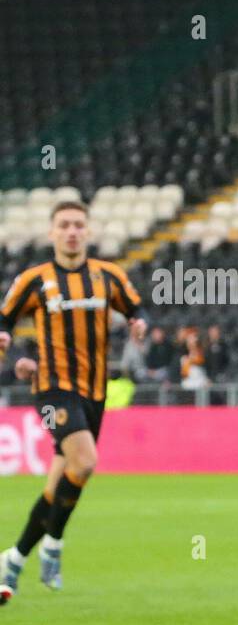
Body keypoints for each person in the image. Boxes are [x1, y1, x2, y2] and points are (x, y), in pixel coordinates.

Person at [0, 200, 146, 603]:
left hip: (93, 391)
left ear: (88, 231)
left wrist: (138, 323)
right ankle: (54, 544)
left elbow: (136, 307)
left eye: (78, 225)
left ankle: (14, 556)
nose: (71, 231)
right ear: (51, 233)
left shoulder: (107, 276)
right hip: (51, 388)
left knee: (58, 483)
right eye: (64, 224)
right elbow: (5, 318)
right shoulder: (35, 279)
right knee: (85, 461)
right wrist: (8, 343)